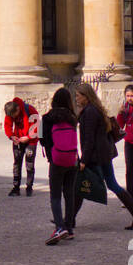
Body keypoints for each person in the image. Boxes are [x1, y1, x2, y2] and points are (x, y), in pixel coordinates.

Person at [72, 81, 133, 230]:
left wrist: (84, 160)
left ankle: (68, 220)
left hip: (95, 156)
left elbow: (89, 139)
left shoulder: (90, 112)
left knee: (80, 186)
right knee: (110, 184)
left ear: (86, 96)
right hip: (103, 154)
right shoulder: (94, 109)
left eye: (78, 96)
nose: (77, 99)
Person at [38, 87, 79, 245]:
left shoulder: (47, 118)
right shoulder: (72, 117)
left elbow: (41, 139)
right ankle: (69, 227)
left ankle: (59, 227)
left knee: (55, 196)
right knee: (69, 194)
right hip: (72, 159)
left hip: (56, 160)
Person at [2, 98, 38, 196]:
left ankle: (29, 187)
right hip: (18, 140)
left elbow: (38, 126)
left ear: (18, 109)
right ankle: (16, 187)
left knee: (29, 164)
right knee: (17, 163)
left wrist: (29, 137)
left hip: (31, 141)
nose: (13, 117)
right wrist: (11, 136)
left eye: (14, 115)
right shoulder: (10, 111)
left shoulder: (30, 110)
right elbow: (7, 125)